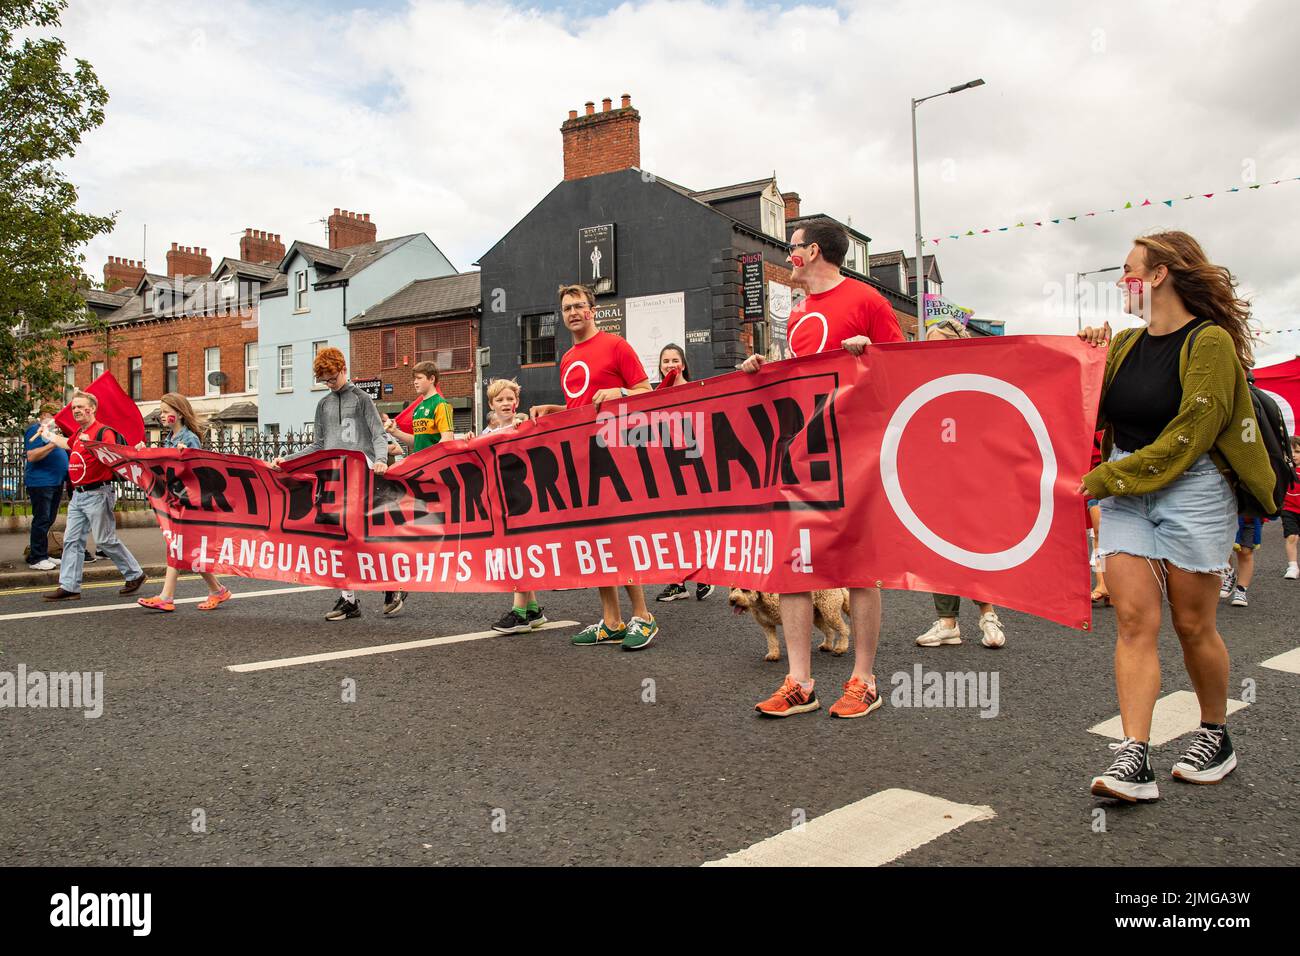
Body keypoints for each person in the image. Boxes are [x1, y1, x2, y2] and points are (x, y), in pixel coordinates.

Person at [1078, 230, 1276, 802]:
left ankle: (1216, 734)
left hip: (1191, 488)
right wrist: (1089, 356)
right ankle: (1133, 756)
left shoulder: (1208, 342)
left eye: (1128, 269)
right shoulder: (1123, 347)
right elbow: (1080, 409)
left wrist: (1095, 483)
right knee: (1135, 622)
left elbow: (1190, 436)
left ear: (1159, 274)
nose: (1121, 280)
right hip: (1125, 491)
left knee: (1193, 624)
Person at [739, 217, 904, 717]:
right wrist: (762, 371)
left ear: (810, 252)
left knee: (859, 566)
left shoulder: (868, 301)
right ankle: (799, 682)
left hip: (856, 454)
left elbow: (901, 370)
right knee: (793, 564)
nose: (787, 255)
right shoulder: (799, 311)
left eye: (790, 247)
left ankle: (863, 680)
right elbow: (799, 383)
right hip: (801, 453)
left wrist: (869, 356)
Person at [530, 283, 659, 651]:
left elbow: (647, 393)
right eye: (566, 307)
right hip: (583, 456)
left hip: (618, 453)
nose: (572, 312)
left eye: (579, 306)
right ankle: (611, 621)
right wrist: (554, 411)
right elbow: (579, 409)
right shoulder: (569, 358)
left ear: (593, 310)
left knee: (618, 534)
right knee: (595, 538)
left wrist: (621, 393)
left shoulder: (617, 346)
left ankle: (643, 616)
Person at [272, 347, 397, 621]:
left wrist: (380, 460)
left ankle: (391, 585)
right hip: (333, 481)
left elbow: (378, 434)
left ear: (343, 370)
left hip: (361, 479)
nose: (329, 384)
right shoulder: (323, 404)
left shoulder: (362, 399)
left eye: (332, 378)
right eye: (324, 381)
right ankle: (349, 600)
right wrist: (287, 460)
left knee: (365, 539)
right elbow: (318, 445)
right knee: (338, 540)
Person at [914, 320, 1007, 649]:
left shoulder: (975, 382)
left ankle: (988, 613)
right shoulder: (924, 382)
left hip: (971, 479)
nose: (932, 350)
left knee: (973, 546)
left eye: (939, 343)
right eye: (928, 343)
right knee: (940, 548)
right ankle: (947, 622)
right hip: (936, 479)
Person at [41, 391, 147, 601]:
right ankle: (70, 586)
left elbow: (112, 454)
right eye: (73, 408)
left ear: (92, 408)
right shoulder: (80, 434)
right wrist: (49, 436)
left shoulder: (101, 432)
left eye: (80, 406)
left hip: (98, 493)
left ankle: (135, 574)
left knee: (105, 540)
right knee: (71, 541)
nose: (76, 410)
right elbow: (68, 444)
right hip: (78, 496)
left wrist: (93, 444)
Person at [136, 394, 231, 612]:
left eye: (166, 411)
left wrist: (184, 456)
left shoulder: (189, 439)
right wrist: (143, 453)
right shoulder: (170, 438)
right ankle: (218, 590)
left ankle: (166, 597)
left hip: (192, 503)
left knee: (177, 546)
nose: (162, 416)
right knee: (187, 549)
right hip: (177, 501)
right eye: (161, 412)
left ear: (178, 413)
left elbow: (199, 471)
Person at [481, 378, 547, 633]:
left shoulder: (523, 426)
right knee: (512, 551)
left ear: (517, 402)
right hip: (502, 500)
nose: (506, 404)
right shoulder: (487, 434)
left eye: (510, 399)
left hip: (523, 500)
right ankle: (532, 610)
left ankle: (519, 613)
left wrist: (524, 428)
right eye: (500, 400)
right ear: (491, 404)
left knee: (518, 552)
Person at [652, 343, 715, 604]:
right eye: (665, 361)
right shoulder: (654, 394)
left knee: (695, 524)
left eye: (674, 360)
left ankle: (705, 576)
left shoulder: (694, 390)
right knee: (671, 526)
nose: (670, 365)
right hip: (666, 466)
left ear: (683, 363)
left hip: (692, 464)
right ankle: (677, 582)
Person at [24, 401, 69, 571]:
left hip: (54, 481)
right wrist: (53, 443)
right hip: (41, 482)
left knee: (48, 519)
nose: (56, 420)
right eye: (53, 416)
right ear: (43, 416)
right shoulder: (36, 430)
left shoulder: (50, 432)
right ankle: (37, 558)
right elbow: (32, 456)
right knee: (42, 520)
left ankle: (42, 553)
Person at [384, 361, 454, 453]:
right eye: (415, 379)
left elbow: (447, 439)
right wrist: (395, 432)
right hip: (421, 464)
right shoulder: (417, 408)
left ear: (432, 379)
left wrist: (430, 458)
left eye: (419, 378)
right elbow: (416, 443)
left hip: (434, 465)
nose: (415, 382)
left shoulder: (441, 405)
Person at [1223, 516, 1262, 607]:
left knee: (1245, 552)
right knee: (1223, 550)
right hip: (1222, 517)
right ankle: (1229, 573)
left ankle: (1241, 590)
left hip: (1249, 516)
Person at [1283, 436, 1300, 580]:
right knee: (1291, 536)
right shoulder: (1284, 469)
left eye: (1298, 452)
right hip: (1289, 509)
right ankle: (1293, 565)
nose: (1294, 455)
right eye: (1291, 451)